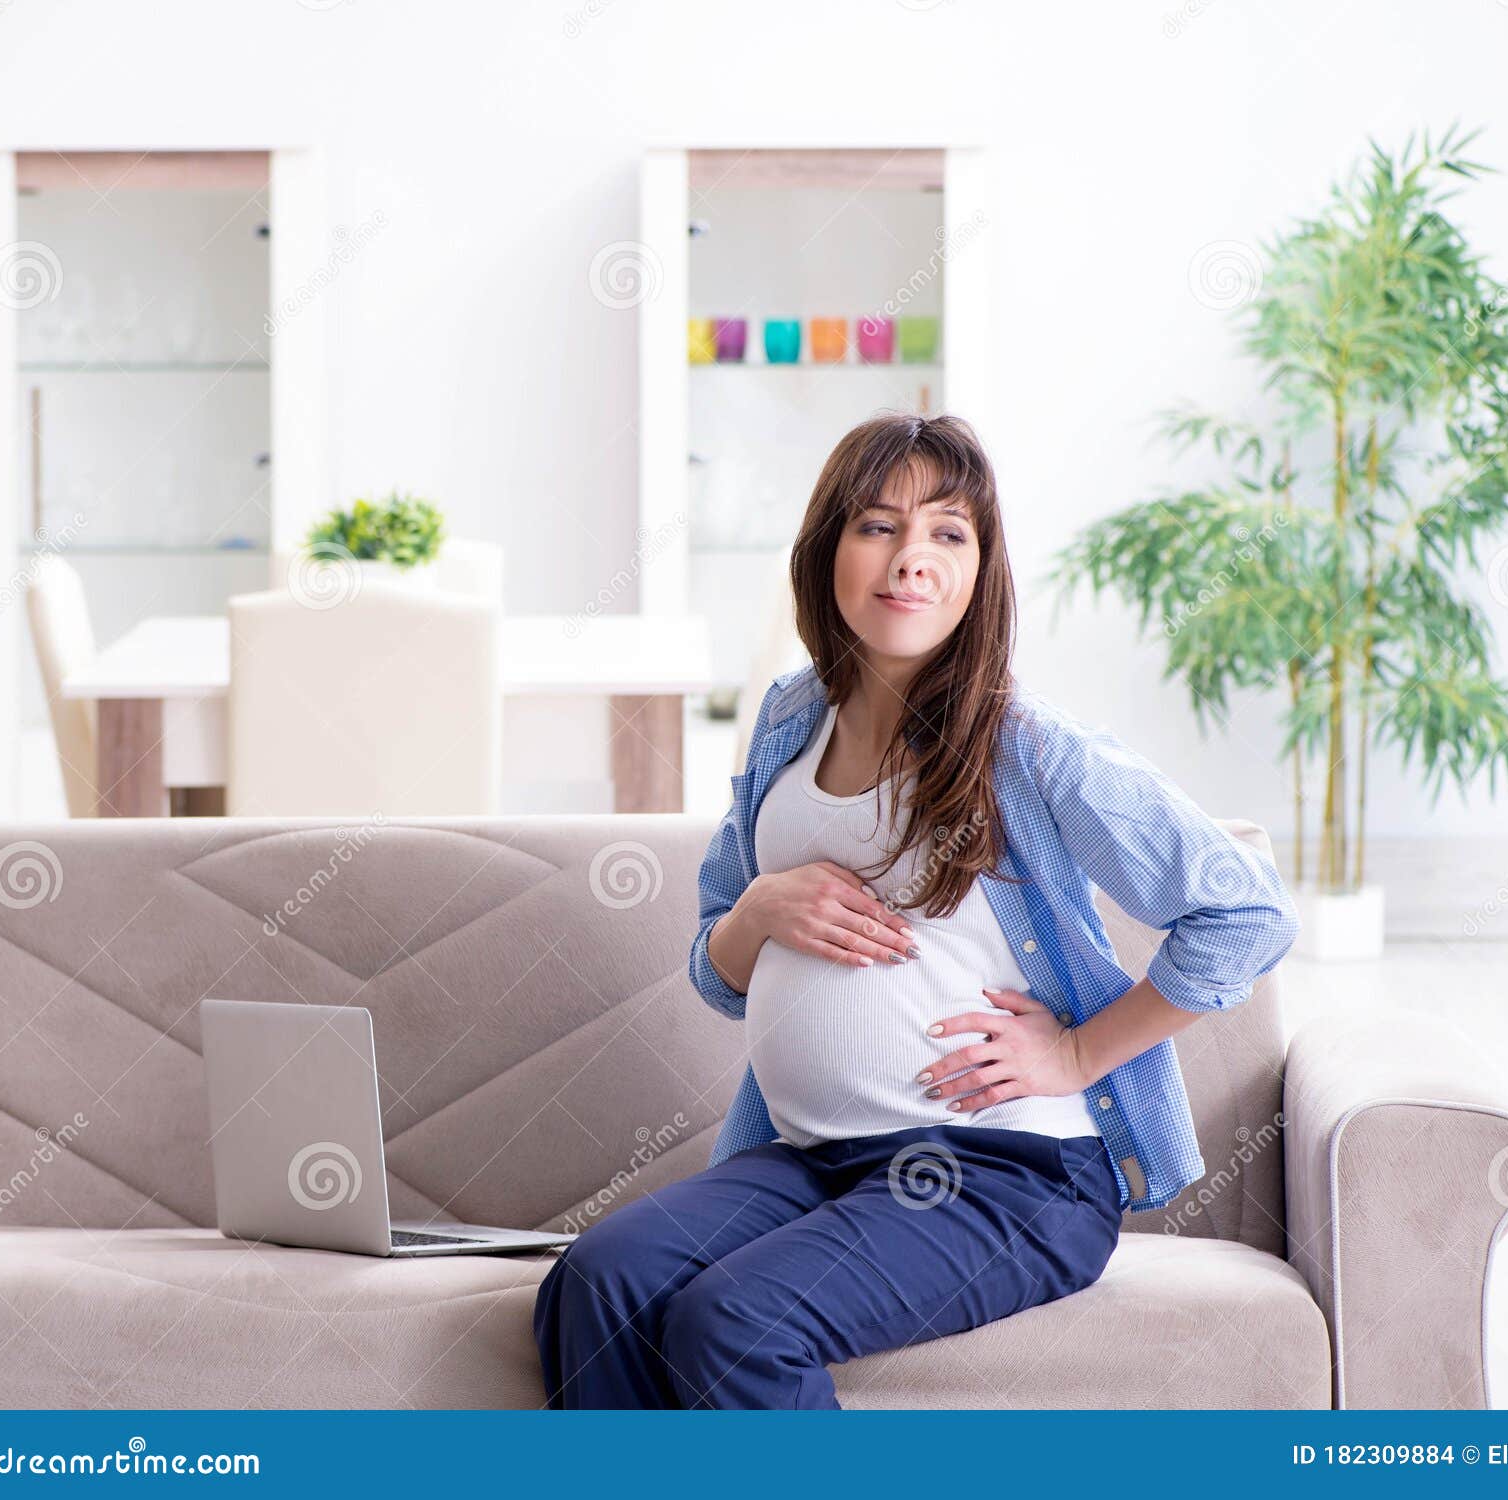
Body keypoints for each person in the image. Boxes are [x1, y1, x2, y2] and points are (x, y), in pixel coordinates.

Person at [534, 411, 1299, 1409]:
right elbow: (716, 971)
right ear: (826, 551)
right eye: (876, 525)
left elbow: (1244, 913)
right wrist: (760, 910)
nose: (911, 559)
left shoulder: (1025, 747)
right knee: (597, 1281)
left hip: (1008, 1177)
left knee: (733, 1322)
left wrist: (1074, 1056)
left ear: (981, 569)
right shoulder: (787, 719)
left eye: (948, 532)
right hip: (814, 1162)